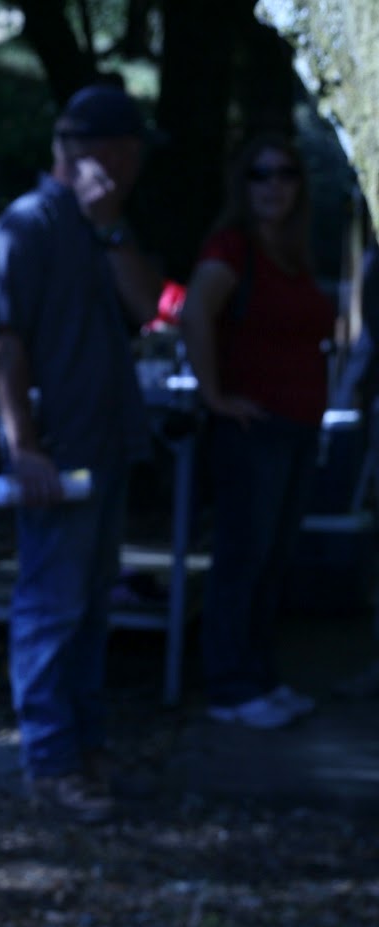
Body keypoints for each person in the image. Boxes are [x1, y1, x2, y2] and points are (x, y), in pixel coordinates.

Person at [0, 84, 163, 822]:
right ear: (104, 154)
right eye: (133, 152)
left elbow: (151, 307)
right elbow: (4, 345)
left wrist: (112, 225)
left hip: (108, 449)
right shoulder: (23, 229)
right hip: (56, 457)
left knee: (89, 609)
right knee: (53, 606)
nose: (139, 166)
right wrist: (23, 446)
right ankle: (51, 762)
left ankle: (87, 752)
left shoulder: (97, 229)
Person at [180, 133, 336, 728]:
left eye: (286, 173)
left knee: (273, 560)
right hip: (254, 431)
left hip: (297, 427)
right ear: (243, 185)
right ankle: (230, 687)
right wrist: (215, 395)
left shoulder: (295, 254)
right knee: (242, 559)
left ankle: (261, 678)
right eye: (261, 174)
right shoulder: (232, 248)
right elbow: (195, 311)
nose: (274, 185)